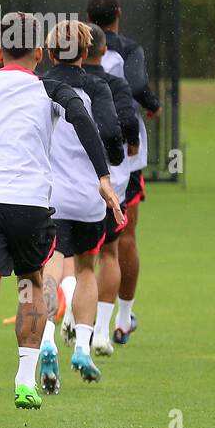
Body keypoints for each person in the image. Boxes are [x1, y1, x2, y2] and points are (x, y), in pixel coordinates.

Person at [0, 12, 124, 416]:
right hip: (31, 208)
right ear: (39, 53)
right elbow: (82, 118)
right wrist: (103, 178)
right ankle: (25, 380)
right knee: (30, 286)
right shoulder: (49, 88)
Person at [36, 21, 125, 389]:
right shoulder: (96, 86)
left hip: (50, 194)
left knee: (50, 267)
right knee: (88, 268)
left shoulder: (39, 86)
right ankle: (83, 348)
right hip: (90, 194)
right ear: (86, 54)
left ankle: (44, 340)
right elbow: (109, 132)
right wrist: (116, 157)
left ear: (51, 52)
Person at [86, 0, 159, 344]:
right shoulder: (128, 48)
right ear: (119, 13)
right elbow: (139, 84)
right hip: (124, 156)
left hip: (83, 150)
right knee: (123, 238)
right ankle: (121, 318)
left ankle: (74, 319)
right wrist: (153, 104)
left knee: (79, 245)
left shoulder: (78, 48)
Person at [82, 21, 141, 358]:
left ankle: (63, 324)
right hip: (109, 185)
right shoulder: (115, 85)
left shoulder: (55, 83)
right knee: (108, 253)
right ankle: (102, 332)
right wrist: (128, 146)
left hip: (67, 186)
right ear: (103, 51)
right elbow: (128, 122)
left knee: (64, 256)